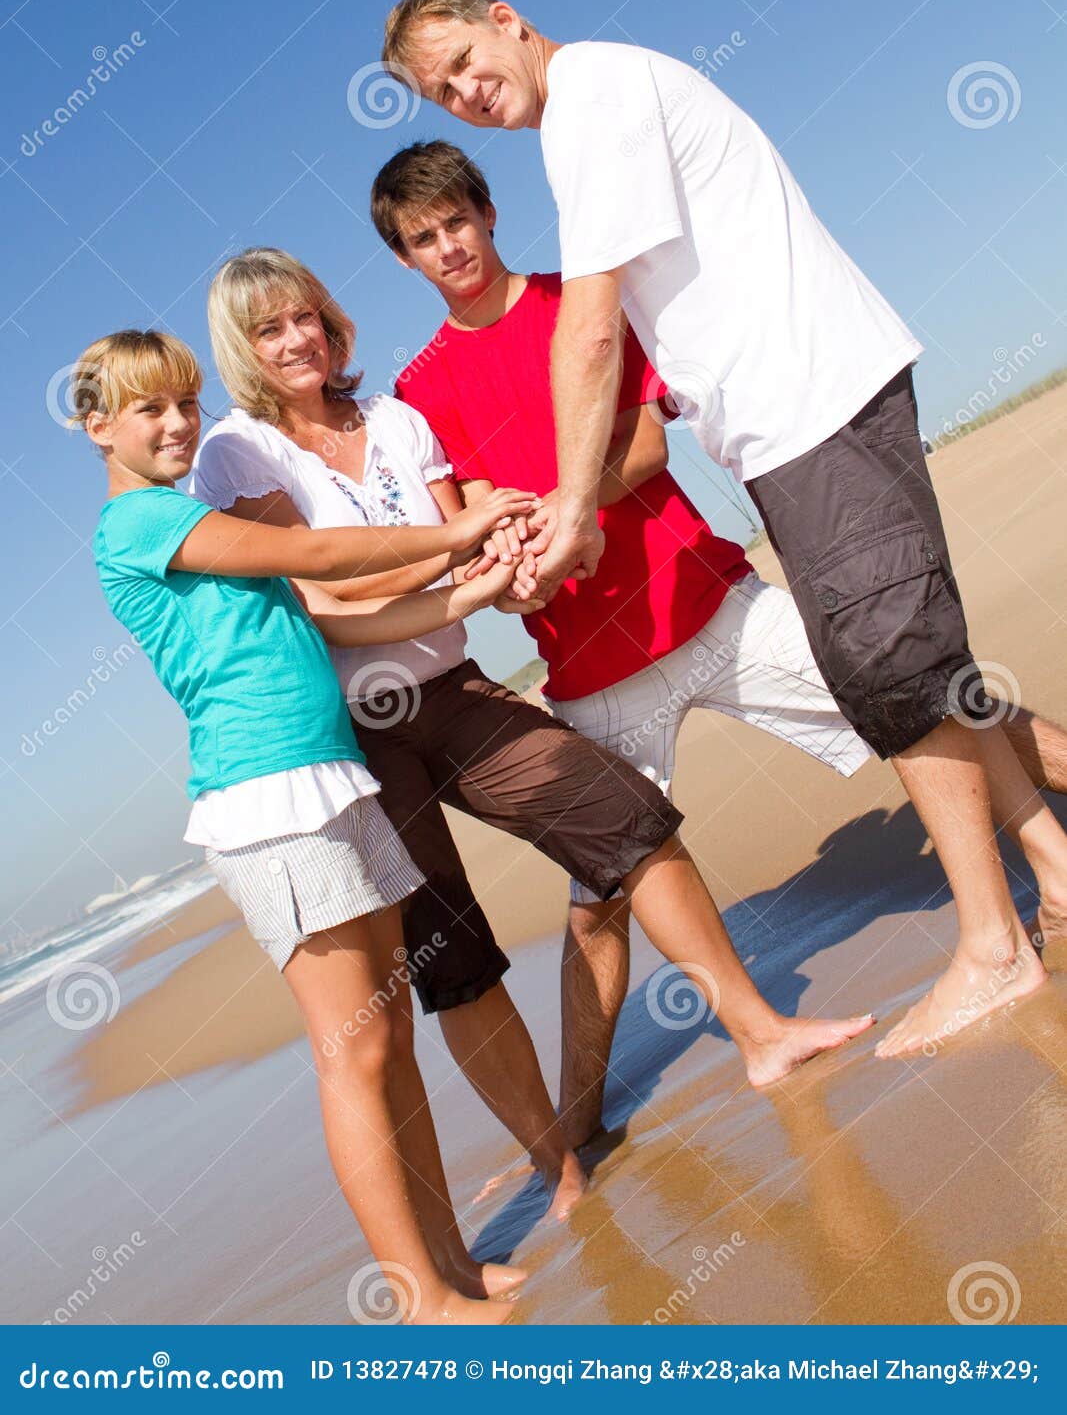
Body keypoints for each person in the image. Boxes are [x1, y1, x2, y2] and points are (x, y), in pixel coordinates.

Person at [383, 0, 1067, 1058]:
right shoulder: (579, 126)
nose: (461, 89)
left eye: (463, 60)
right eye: (436, 88)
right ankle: (1051, 878)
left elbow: (594, 338)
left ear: (506, 19)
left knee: (896, 675)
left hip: (797, 426)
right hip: (755, 455)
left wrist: (568, 506)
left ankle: (991, 948)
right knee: (911, 672)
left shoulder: (593, 104)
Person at [191, 248, 875, 1187]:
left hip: (455, 689)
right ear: (243, 347)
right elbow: (316, 584)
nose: (297, 338)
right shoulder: (237, 450)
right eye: (269, 329)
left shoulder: (395, 417)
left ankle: (761, 1034)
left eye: (305, 315)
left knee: (629, 823)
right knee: (455, 959)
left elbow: (459, 557)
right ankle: (557, 1169)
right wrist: (455, 553)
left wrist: (499, 554)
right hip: (354, 736)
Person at [73, 328, 543, 1322]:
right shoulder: (141, 527)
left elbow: (339, 618)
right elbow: (320, 549)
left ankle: (449, 1265)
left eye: (187, 403)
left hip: (333, 778)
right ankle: (417, 1298)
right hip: (267, 799)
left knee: (393, 1041)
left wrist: (477, 586)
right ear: (96, 425)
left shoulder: (203, 519)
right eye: (148, 407)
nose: (176, 423)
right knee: (353, 1052)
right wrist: (454, 531)